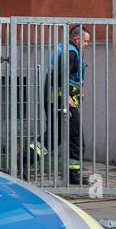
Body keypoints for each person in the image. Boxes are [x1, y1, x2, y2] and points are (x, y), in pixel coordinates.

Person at [45, 25, 90, 185]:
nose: (86, 45)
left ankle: (23, 161)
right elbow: (61, 76)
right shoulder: (70, 52)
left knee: (53, 137)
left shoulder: (68, 50)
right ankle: (74, 175)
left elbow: (70, 75)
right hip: (63, 100)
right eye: (85, 41)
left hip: (59, 98)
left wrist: (80, 87)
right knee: (76, 137)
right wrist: (66, 97)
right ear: (77, 39)